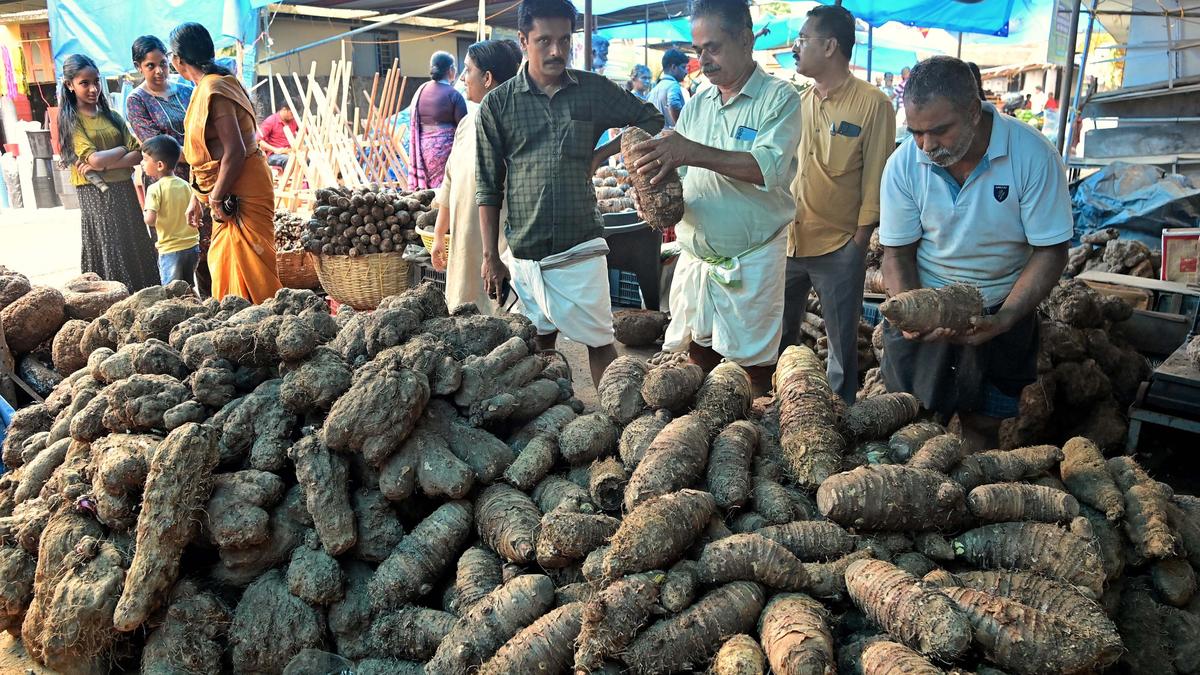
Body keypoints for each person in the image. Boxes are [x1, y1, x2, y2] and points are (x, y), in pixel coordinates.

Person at [878, 56, 1072, 450]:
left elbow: (1051, 251)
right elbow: (896, 254)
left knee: (983, 425)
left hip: (1003, 306)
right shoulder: (903, 164)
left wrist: (1005, 318)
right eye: (915, 132)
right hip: (925, 305)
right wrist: (913, 310)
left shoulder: (1032, 155)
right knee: (910, 424)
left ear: (973, 109)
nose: (926, 145)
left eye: (939, 131)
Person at [476, 0, 664, 388]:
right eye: (544, 40)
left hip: (580, 241)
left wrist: (603, 153)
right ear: (523, 40)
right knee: (540, 342)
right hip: (526, 246)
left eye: (565, 40)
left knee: (599, 341)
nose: (557, 51)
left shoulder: (592, 90)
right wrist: (491, 257)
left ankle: (615, 421)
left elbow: (650, 117)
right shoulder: (498, 104)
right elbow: (488, 185)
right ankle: (553, 416)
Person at [630, 0, 802, 390]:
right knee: (698, 355)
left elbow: (766, 169)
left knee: (754, 368)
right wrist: (652, 186)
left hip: (751, 260)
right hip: (698, 260)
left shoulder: (780, 98)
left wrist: (690, 150)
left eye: (713, 47)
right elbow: (681, 173)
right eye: (697, 50)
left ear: (745, 39)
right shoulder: (699, 103)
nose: (703, 60)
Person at [781, 5, 895, 404]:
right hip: (789, 240)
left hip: (838, 246)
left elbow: (876, 179)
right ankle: (783, 407)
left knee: (841, 346)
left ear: (829, 46)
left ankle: (840, 415)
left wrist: (858, 244)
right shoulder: (797, 101)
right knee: (777, 337)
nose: (796, 48)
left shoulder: (873, 104)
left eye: (802, 39)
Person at [172, 22, 282, 304]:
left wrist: (216, 199)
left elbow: (233, 152)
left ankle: (267, 327)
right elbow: (209, 155)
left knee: (254, 267)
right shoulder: (206, 86)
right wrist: (199, 198)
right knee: (223, 261)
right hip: (228, 184)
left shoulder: (215, 89)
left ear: (177, 60)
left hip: (241, 183)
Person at [430, 38, 522, 313]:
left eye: (468, 70)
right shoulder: (467, 124)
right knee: (463, 313)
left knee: (501, 320)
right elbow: (449, 182)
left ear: (488, 78)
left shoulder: (517, 127)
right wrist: (438, 235)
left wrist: (494, 255)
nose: (462, 77)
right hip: (464, 247)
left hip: (502, 250)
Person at [57, 53, 159, 292]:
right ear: (69, 85)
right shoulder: (72, 121)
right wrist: (119, 152)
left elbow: (139, 154)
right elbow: (93, 158)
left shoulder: (112, 116)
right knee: (109, 247)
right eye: (84, 83)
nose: (93, 89)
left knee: (132, 243)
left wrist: (105, 163)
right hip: (96, 194)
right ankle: (115, 301)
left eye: (96, 82)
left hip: (124, 189)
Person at [125, 34, 211, 297]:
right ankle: (180, 308)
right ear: (139, 67)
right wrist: (201, 156)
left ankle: (213, 303)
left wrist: (204, 161)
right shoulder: (137, 101)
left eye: (163, 63)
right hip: (167, 179)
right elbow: (156, 145)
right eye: (150, 66)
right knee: (176, 250)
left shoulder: (188, 91)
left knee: (206, 248)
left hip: (201, 177)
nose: (159, 71)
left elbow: (207, 129)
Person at [141, 135, 200, 286]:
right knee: (189, 285)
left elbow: (150, 220)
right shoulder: (186, 185)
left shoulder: (154, 189)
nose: (142, 163)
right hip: (192, 247)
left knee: (171, 290)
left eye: (145, 159)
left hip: (171, 249)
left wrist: (145, 211)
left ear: (159, 165)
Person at [410, 52, 468, 190]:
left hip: (423, 151)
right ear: (451, 70)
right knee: (446, 190)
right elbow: (464, 128)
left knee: (430, 192)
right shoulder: (454, 95)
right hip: (446, 153)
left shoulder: (421, 90)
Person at [649, 48, 689, 128]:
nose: (686, 72)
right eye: (683, 67)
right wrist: (681, 127)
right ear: (673, 67)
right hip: (671, 137)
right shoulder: (673, 85)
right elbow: (673, 104)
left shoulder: (655, 89)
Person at [257, 103, 299, 169]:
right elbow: (258, 141)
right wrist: (276, 149)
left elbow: (306, 131)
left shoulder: (293, 121)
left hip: (290, 152)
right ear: (284, 109)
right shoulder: (271, 121)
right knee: (288, 160)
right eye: (292, 113)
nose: (293, 116)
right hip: (273, 155)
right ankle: (288, 179)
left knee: (306, 159)